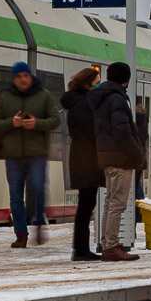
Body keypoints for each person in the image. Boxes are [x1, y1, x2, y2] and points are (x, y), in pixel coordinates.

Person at [0, 61, 60, 248]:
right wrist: (11, 123)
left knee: (38, 187)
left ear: (31, 77)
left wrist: (36, 123)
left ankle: (38, 221)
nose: (23, 79)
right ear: (14, 79)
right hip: (13, 154)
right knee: (15, 195)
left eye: (26, 76)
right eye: (19, 76)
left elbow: (55, 120)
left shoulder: (43, 95)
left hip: (37, 152)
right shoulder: (4, 96)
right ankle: (21, 234)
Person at [89, 61, 147, 261]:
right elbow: (122, 131)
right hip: (121, 159)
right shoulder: (118, 100)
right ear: (126, 80)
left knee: (109, 202)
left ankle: (108, 243)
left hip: (107, 157)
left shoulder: (101, 97)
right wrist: (137, 154)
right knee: (118, 203)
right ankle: (111, 246)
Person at [60, 66, 104, 262]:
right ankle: (81, 249)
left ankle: (81, 248)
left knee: (85, 205)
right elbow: (93, 132)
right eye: (97, 83)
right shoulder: (85, 105)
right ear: (87, 85)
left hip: (80, 157)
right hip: (87, 159)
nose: (99, 87)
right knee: (86, 205)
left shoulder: (77, 103)